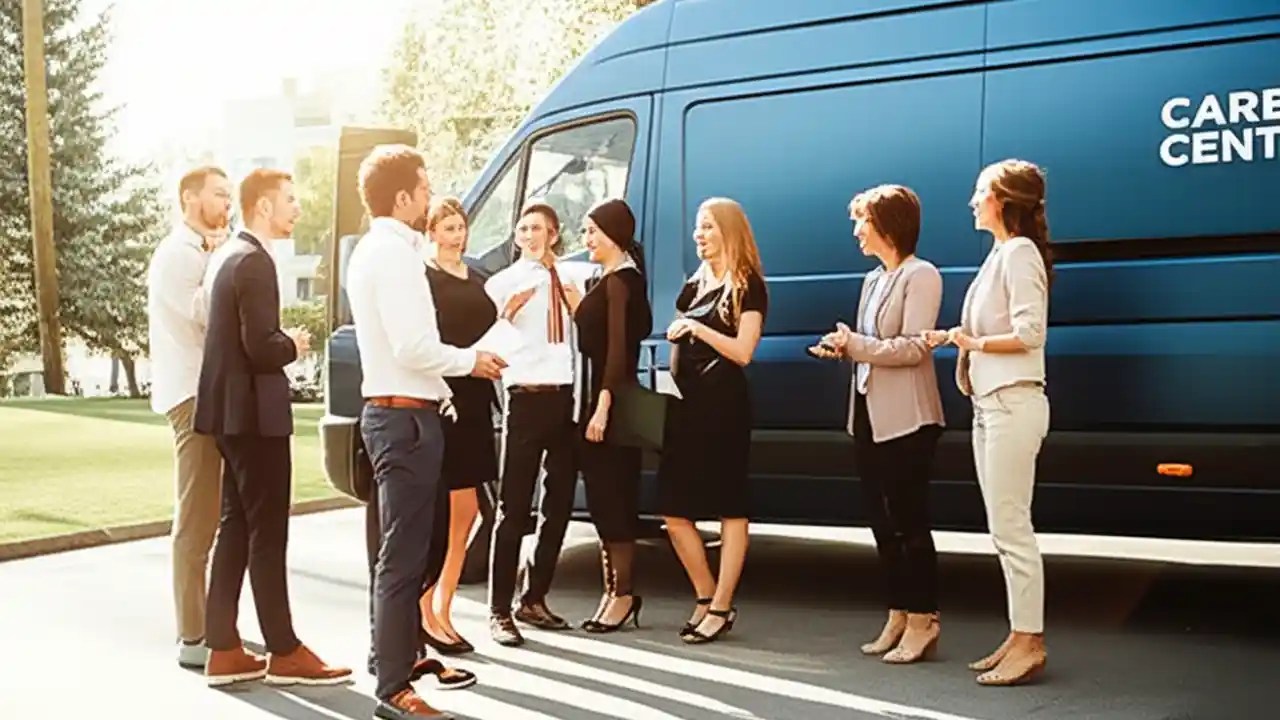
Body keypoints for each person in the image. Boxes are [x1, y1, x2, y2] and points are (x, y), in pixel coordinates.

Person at [345, 146, 505, 719]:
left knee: (404, 551)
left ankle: (396, 657)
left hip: (409, 411)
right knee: (404, 557)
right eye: (424, 185)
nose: (431, 191)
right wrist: (471, 362)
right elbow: (413, 345)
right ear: (404, 197)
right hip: (403, 420)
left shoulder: (385, 250)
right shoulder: (392, 256)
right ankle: (393, 688)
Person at [193, 168, 350, 688]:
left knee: (236, 526)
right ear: (263, 206)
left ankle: (224, 649)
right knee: (267, 534)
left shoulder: (230, 257)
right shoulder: (255, 262)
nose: (297, 209)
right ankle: (283, 651)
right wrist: (294, 347)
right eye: (290, 200)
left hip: (231, 416)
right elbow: (261, 347)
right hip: (255, 418)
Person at [923, 158, 1053, 686]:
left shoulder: (1019, 253)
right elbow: (993, 327)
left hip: (1013, 405)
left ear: (1002, 200)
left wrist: (973, 343)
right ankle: (1019, 635)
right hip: (992, 405)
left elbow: (1030, 332)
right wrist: (956, 338)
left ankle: (1031, 641)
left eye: (980, 193)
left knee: (1012, 528)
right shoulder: (1002, 254)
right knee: (1003, 529)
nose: (972, 202)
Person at [813, 185, 945, 663]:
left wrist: (857, 347)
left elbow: (914, 347)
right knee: (881, 522)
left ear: (887, 225)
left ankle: (924, 617)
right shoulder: (872, 280)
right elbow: (868, 343)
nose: (855, 230)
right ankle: (897, 611)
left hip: (909, 418)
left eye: (861, 221)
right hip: (867, 413)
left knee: (909, 520)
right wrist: (840, 348)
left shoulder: (922, 275)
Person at [658, 197, 768, 644]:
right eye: (696, 228)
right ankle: (705, 594)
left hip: (724, 409)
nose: (698, 235)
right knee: (673, 508)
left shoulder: (749, 286)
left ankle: (722, 605)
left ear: (728, 231)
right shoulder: (694, 284)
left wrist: (696, 330)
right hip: (685, 408)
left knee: (730, 506)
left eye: (706, 227)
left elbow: (743, 352)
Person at [484, 200, 585, 647]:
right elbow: (489, 345)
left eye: (537, 228)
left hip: (564, 398)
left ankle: (535, 596)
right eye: (522, 228)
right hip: (524, 397)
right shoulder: (501, 284)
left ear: (553, 233)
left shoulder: (573, 276)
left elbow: (589, 333)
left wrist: (577, 304)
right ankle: (498, 610)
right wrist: (508, 312)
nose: (528, 235)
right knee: (513, 508)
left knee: (558, 504)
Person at [145, 165, 232, 669]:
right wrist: (225, 260)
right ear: (189, 198)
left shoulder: (204, 251)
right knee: (197, 519)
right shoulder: (178, 256)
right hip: (193, 400)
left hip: (214, 396)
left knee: (218, 517)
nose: (226, 202)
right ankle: (193, 635)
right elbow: (205, 314)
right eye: (218, 194)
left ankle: (214, 625)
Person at [419, 196, 500, 655]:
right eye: (448, 227)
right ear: (432, 231)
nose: (457, 234)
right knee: (447, 512)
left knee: (468, 513)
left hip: (478, 398)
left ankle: (444, 607)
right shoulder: (423, 279)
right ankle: (425, 608)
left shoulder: (481, 279)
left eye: (461, 226)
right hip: (445, 398)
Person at [573, 198, 653, 633]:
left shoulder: (622, 281)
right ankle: (613, 592)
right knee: (604, 501)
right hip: (601, 399)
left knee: (615, 500)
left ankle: (622, 594)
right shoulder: (604, 279)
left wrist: (602, 406)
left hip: (613, 403)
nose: (586, 240)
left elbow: (619, 350)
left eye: (592, 232)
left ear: (613, 235)